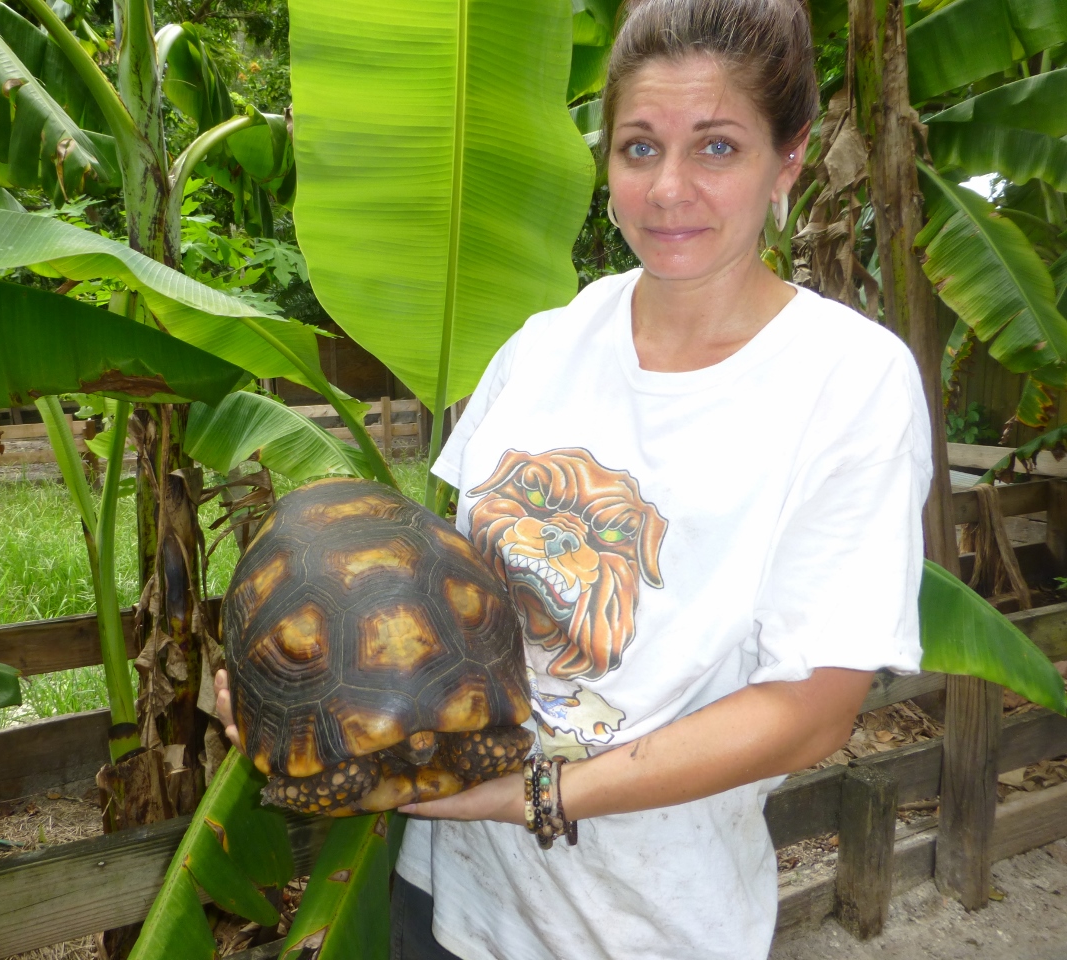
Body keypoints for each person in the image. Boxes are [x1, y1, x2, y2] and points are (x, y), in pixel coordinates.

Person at [217, 0, 932, 956]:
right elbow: (451, 588)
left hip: (643, 923)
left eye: (715, 148)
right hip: (446, 889)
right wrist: (294, 699)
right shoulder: (547, 343)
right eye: (640, 148)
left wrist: (540, 793)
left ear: (788, 159)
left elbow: (811, 712)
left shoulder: (848, 380)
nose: (669, 188)